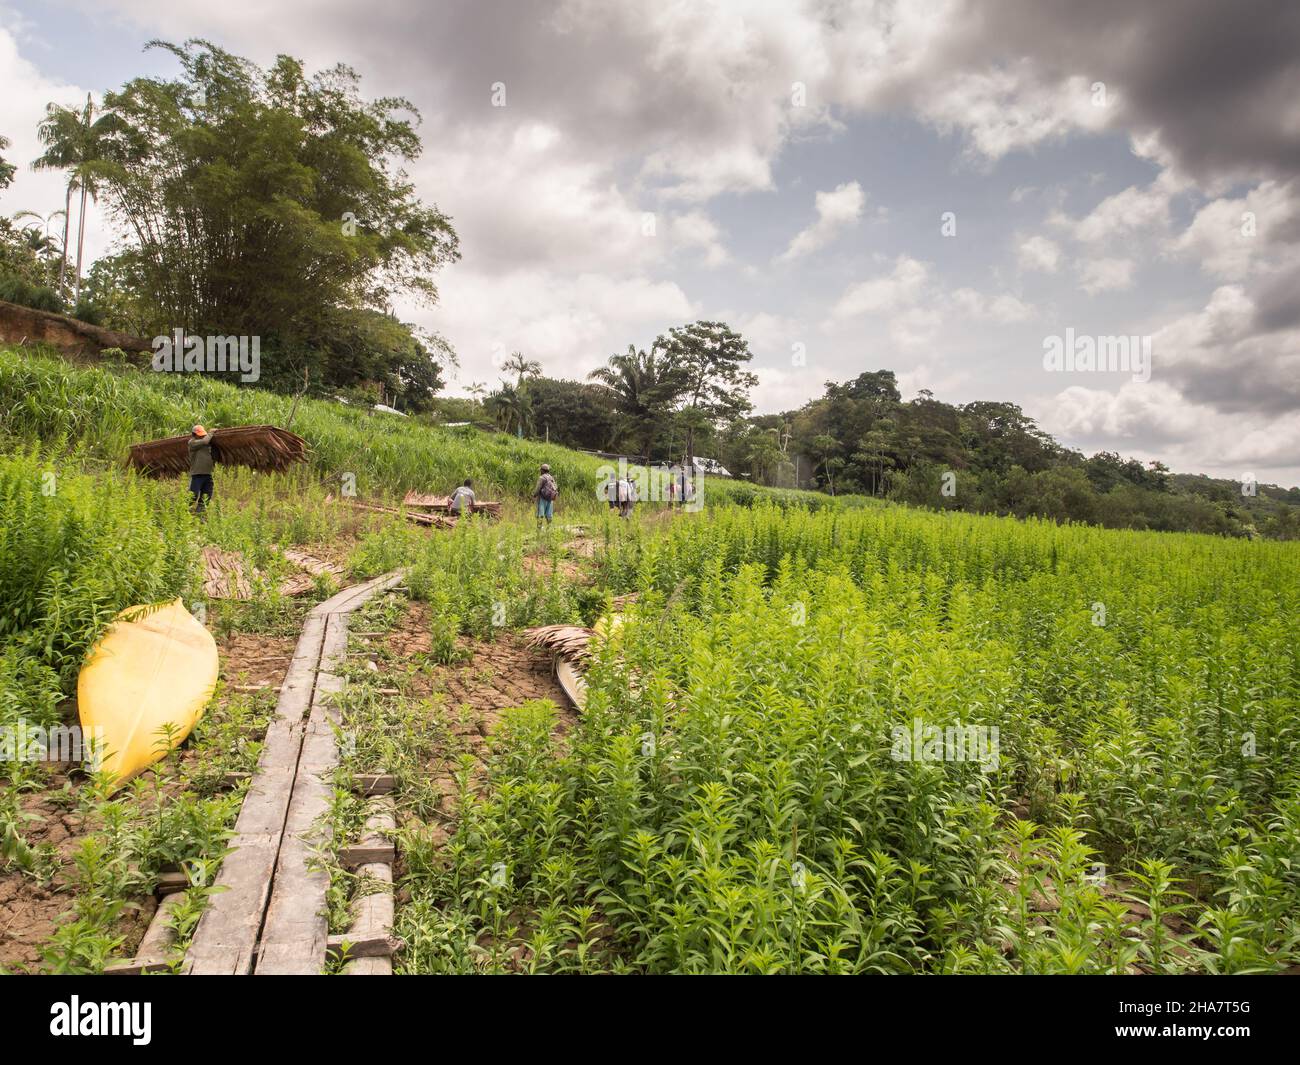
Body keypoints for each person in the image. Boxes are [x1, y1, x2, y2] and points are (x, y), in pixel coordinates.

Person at [188, 424, 214, 514]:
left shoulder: (205, 442)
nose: (201, 436)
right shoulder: (192, 443)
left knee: (207, 495)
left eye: (202, 435)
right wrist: (211, 433)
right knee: (193, 495)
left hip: (207, 474)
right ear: (194, 434)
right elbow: (205, 441)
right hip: (197, 474)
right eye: (199, 435)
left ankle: (200, 514)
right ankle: (183, 511)